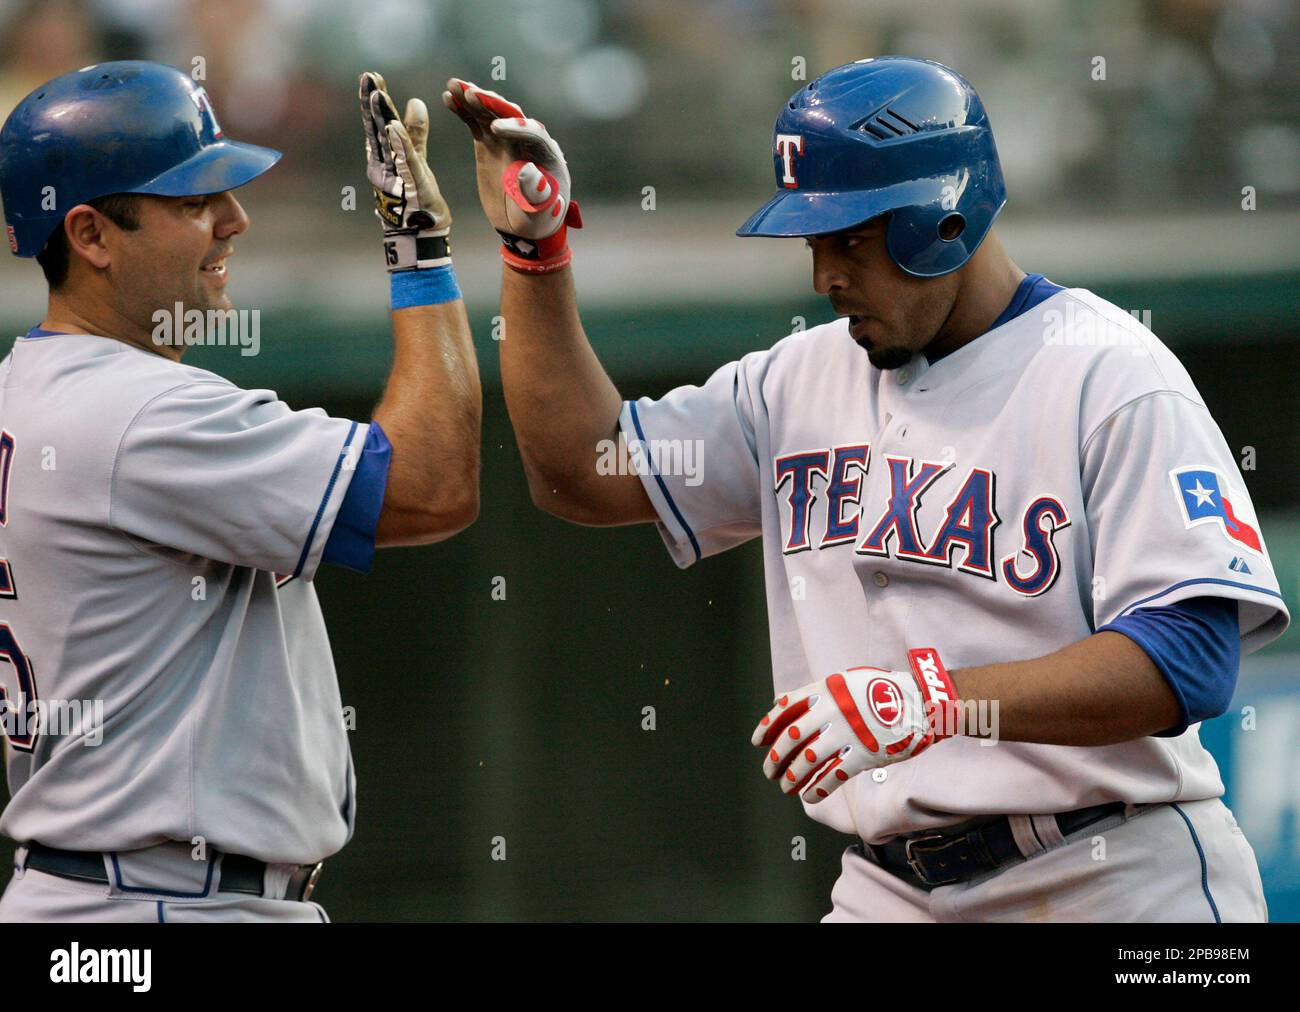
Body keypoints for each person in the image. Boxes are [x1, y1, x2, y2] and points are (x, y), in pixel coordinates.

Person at [441, 57, 1288, 922]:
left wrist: (938, 704)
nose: (824, 277)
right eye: (815, 242)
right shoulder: (795, 382)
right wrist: (534, 254)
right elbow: (583, 472)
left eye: (850, 238)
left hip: (1109, 877)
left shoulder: (1110, 374)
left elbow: (1189, 658)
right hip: (887, 889)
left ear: (940, 215)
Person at [0, 62, 479, 922]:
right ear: (92, 235)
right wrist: (418, 252)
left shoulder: (27, 390)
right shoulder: (136, 411)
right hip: (158, 904)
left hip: (103, 895)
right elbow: (433, 484)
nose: (234, 219)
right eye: (192, 202)